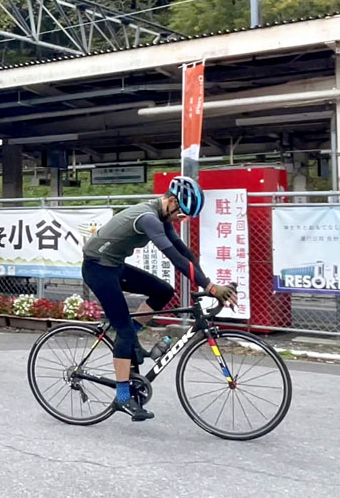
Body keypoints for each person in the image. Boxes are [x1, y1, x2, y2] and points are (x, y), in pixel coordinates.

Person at [82, 175, 237, 421]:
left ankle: (131, 338)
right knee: (122, 331)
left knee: (164, 291)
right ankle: (123, 397)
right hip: (97, 268)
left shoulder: (163, 216)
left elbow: (184, 252)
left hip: (114, 266)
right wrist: (209, 287)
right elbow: (174, 259)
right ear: (172, 201)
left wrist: (208, 282)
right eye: (182, 213)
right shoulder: (148, 218)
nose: (182, 219)